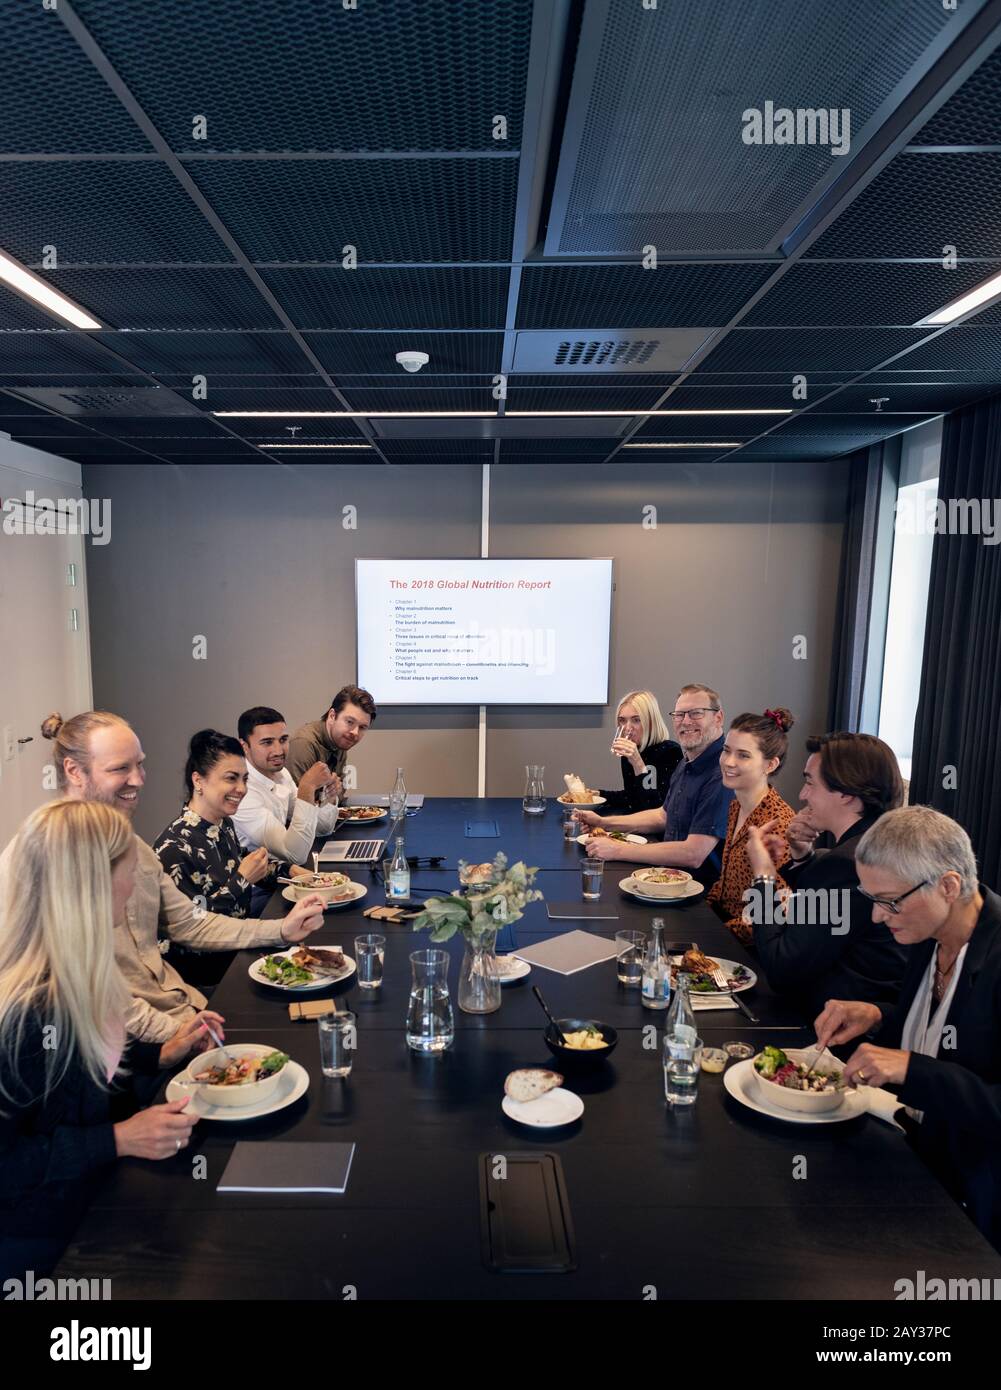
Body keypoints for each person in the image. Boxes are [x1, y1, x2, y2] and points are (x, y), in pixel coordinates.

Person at [0, 712, 325, 1046]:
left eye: (139, 765)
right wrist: (175, 1035)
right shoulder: (36, 857)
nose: (139, 779)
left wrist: (281, 930)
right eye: (120, 768)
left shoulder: (135, 848)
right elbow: (81, 992)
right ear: (73, 771)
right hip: (137, 1045)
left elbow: (192, 923)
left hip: (186, 1009)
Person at [0, 801, 222, 1279]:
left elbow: (87, 1064)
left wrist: (161, 1052)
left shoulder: (78, 968)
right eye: (129, 865)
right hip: (44, 1242)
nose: (137, 877)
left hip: (86, 1190)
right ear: (95, 883)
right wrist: (118, 1139)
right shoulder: (26, 1012)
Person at [814, 807, 1001, 1253]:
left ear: (949, 886)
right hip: (912, 1155)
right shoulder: (928, 933)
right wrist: (878, 1016)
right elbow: (943, 1032)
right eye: (873, 900)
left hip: (974, 1207)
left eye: (890, 901)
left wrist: (911, 1070)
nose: (879, 918)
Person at [745, 732, 907, 1016]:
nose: (802, 794)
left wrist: (763, 878)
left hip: (833, 1027)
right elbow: (828, 910)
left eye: (810, 782)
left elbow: (781, 968)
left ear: (846, 793)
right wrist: (802, 854)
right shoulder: (880, 842)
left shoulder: (846, 865)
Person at [576, 684, 733, 881]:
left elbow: (693, 854)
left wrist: (618, 850)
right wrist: (603, 823)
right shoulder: (687, 762)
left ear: (718, 718)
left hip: (701, 892)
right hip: (669, 876)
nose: (685, 721)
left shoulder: (722, 772)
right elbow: (662, 816)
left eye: (695, 714)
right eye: (679, 715)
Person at [154, 730, 273, 919]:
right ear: (198, 781)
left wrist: (290, 871)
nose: (242, 789)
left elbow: (244, 863)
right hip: (216, 947)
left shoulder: (224, 824)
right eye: (231, 778)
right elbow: (193, 920)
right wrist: (242, 880)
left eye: (245, 779)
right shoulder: (174, 848)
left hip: (239, 938)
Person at [707, 709, 797, 944]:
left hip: (749, 946)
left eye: (743, 755)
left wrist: (714, 935)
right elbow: (725, 882)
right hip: (723, 928)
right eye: (726, 750)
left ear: (770, 765)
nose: (728, 761)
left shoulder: (780, 823)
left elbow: (778, 909)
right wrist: (701, 915)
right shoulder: (736, 805)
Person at [233, 706, 341, 867]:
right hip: (256, 887)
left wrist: (329, 797)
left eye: (283, 740)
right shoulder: (242, 792)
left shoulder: (281, 773)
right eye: (267, 742)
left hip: (283, 873)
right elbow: (295, 855)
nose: (278, 750)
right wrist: (307, 787)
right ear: (244, 746)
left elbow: (323, 828)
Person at [598, 690, 682, 814]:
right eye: (622, 720)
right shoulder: (632, 751)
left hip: (655, 831)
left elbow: (657, 809)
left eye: (636, 720)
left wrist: (639, 765)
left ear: (651, 722)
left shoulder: (670, 751)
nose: (627, 728)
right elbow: (632, 797)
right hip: (635, 822)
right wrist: (598, 795)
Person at [287, 685, 377, 793]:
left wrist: (334, 794)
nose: (355, 732)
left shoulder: (341, 740)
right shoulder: (303, 744)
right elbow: (297, 802)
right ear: (332, 716)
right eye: (349, 722)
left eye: (362, 727)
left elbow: (339, 793)